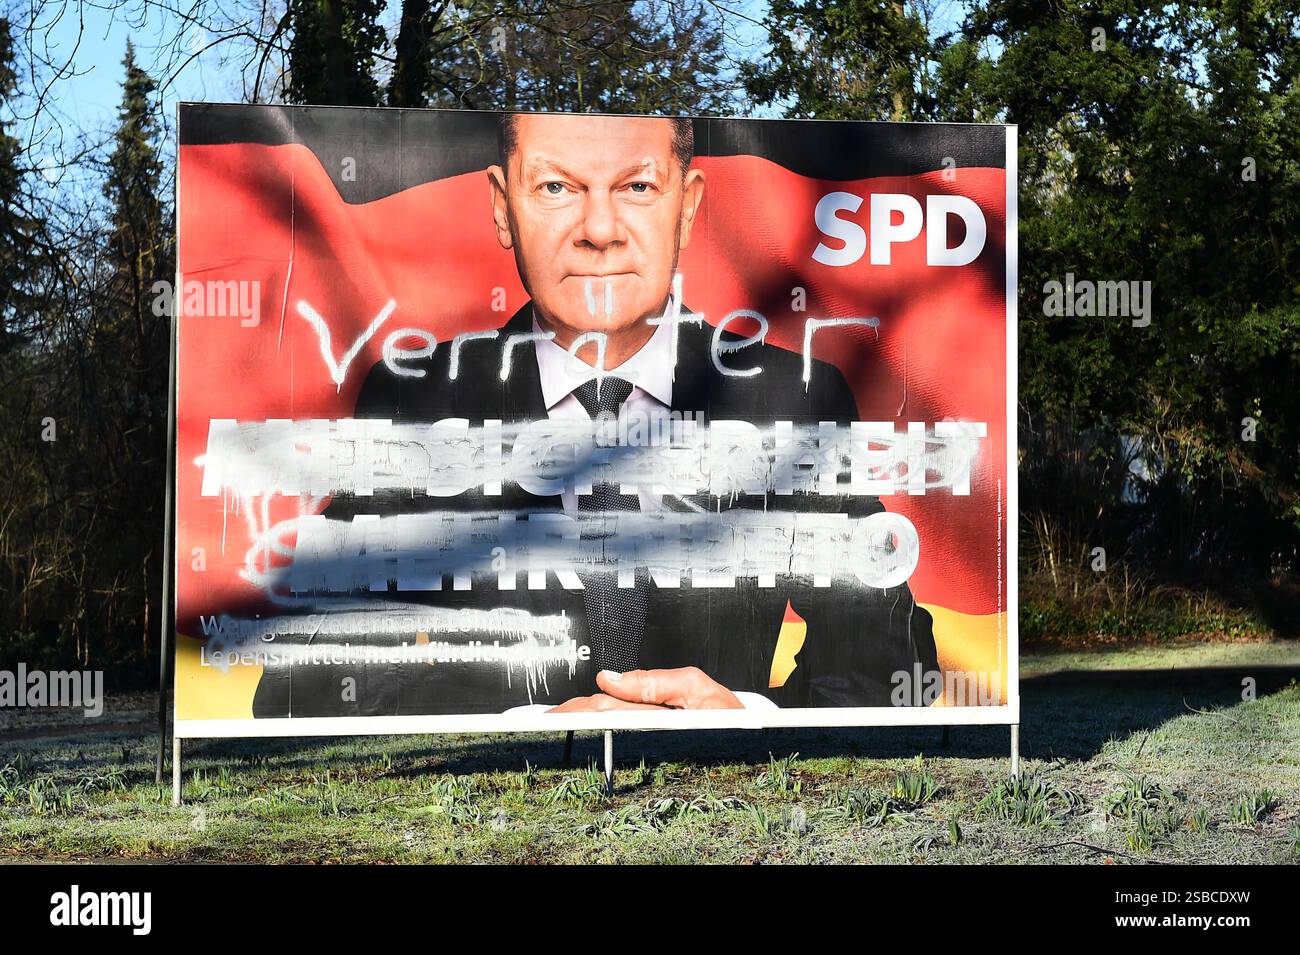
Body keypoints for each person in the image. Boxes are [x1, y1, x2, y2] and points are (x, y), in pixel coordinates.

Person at [252, 111, 937, 718]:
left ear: (688, 206)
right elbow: (302, 677)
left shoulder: (792, 399)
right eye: (556, 187)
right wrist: (519, 730)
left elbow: (897, 665)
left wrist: (743, 716)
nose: (600, 231)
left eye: (637, 187)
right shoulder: (417, 400)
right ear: (501, 206)